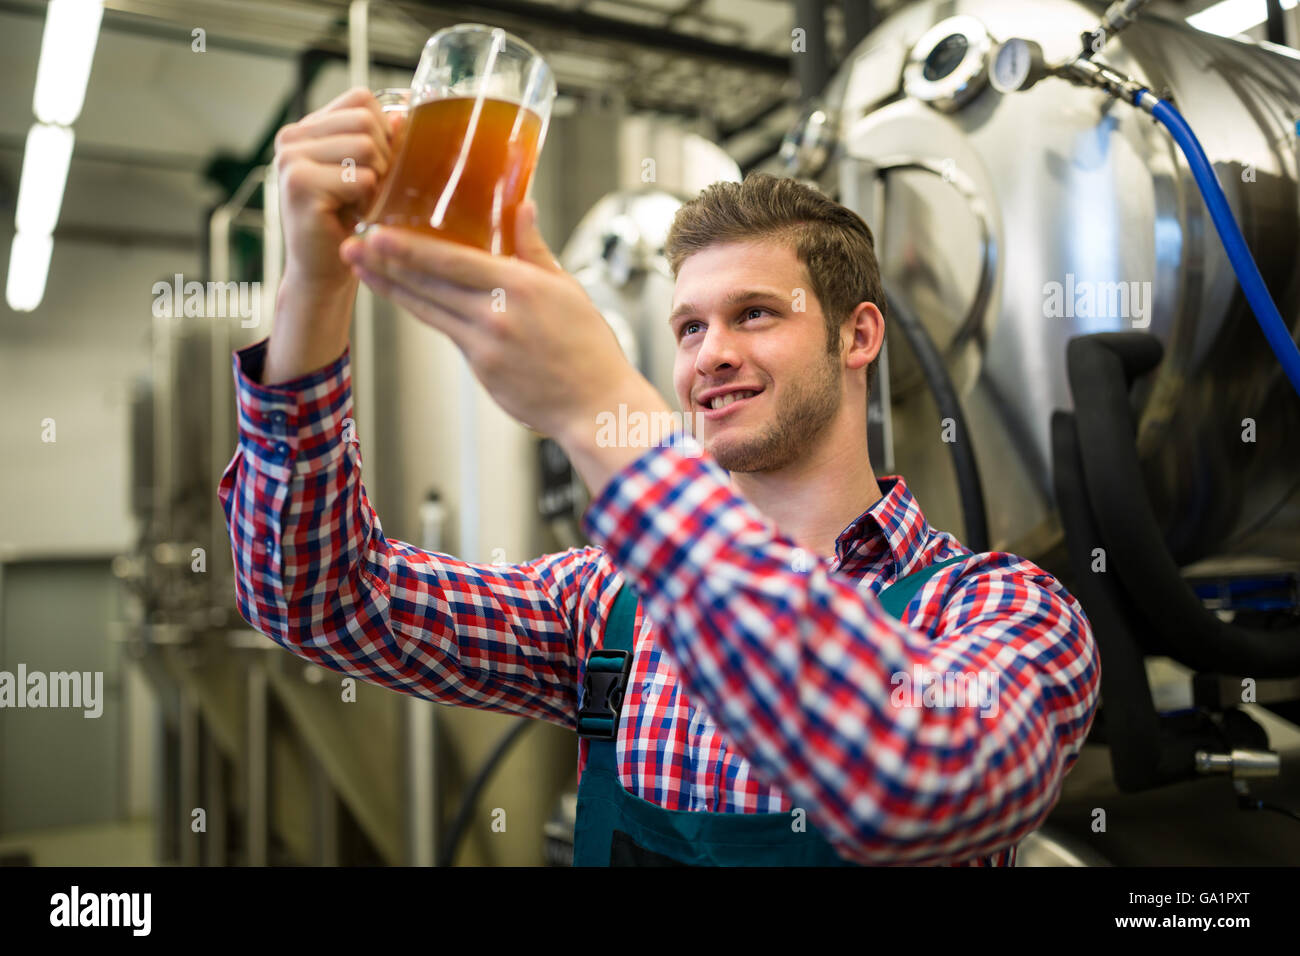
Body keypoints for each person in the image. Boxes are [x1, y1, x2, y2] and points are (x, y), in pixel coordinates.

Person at [219, 86, 1099, 866]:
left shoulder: (1006, 613)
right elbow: (320, 597)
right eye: (687, 328)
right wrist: (315, 292)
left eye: (754, 314)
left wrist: (604, 412)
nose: (711, 355)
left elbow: (915, 784)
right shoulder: (604, 605)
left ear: (857, 335)